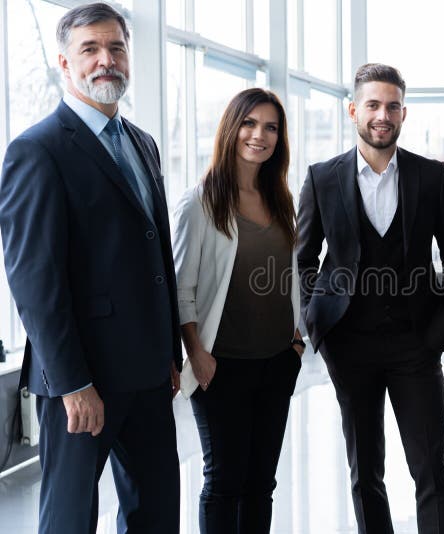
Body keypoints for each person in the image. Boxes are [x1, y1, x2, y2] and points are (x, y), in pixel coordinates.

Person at [0, 3, 181, 533]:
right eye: (91, 49)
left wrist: (168, 352)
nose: (107, 60)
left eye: (116, 47)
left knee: (156, 515)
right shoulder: (37, 150)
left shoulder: (142, 143)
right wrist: (73, 383)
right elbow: (36, 283)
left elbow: (156, 256)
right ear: (65, 62)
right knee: (69, 520)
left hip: (148, 372)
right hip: (84, 381)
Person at [297, 63, 444, 534]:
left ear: (403, 113)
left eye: (392, 106)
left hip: (416, 343)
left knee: (430, 466)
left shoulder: (431, 176)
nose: (382, 115)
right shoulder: (321, 178)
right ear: (353, 110)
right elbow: (303, 259)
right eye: (372, 105)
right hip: (349, 345)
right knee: (365, 469)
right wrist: (317, 321)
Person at [172, 88, 303, 533]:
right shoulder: (200, 202)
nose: (259, 135)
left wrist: (296, 342)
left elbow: (288, 276)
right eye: (249, 123)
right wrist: (196, 352)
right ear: (231, 128)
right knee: (224, 483)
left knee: (261, 484)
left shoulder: (281, 199)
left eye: (270, 127)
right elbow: (182, 287)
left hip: (277, 362)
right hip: (221, 365)